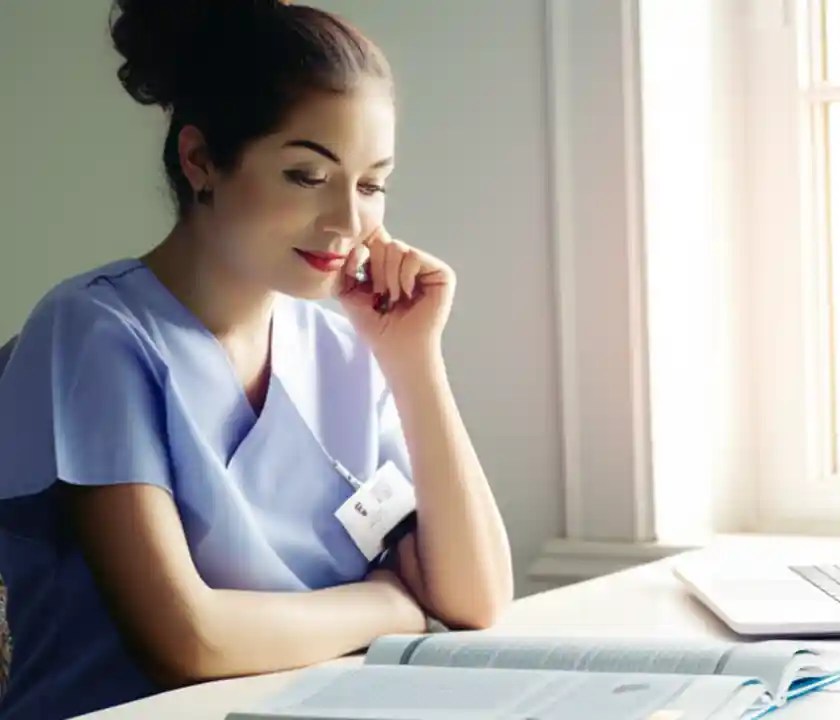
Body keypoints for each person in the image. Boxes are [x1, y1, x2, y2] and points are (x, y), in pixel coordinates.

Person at [0, 1, 513, 716]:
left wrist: (415, 362)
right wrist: (390, 606)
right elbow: (188, 642)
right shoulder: (96, 330)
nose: (348, 221)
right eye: (307, 175)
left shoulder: (345, 348)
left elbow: (475, 599)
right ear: (201, 160)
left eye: (370, 185)